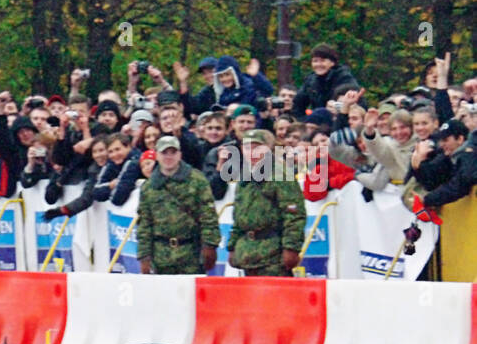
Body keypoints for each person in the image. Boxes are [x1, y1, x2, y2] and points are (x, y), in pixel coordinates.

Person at [137, 136, 221, 275]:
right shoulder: (148, 187)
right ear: (157, 155)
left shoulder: (197, 180)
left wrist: (209, 246)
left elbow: (208, 216)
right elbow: (145, 224)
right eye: (164, 153)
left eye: (173, 152)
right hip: (161, 255)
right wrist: (144, 256)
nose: (169, 157)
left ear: (180, 155)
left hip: (191, 253)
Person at [226, 131, 305, 276]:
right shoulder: (245, 177)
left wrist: (291, 248)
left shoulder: (280, 175)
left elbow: (294, 215)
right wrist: (232, 246)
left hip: (273, 254)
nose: (252, 152)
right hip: (248, 254)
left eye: (257, 147)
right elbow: (239, 216)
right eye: (247, 147)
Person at [292, 44, 360, 116]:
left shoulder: (344, 77)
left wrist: (338, 107)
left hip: (339, 119)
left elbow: (355, 101)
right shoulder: (310, 81)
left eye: (322, 61)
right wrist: (304, 121)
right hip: (318, 121)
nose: (318, 64)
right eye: (315, 61)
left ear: (332, 62)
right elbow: (297, 105)